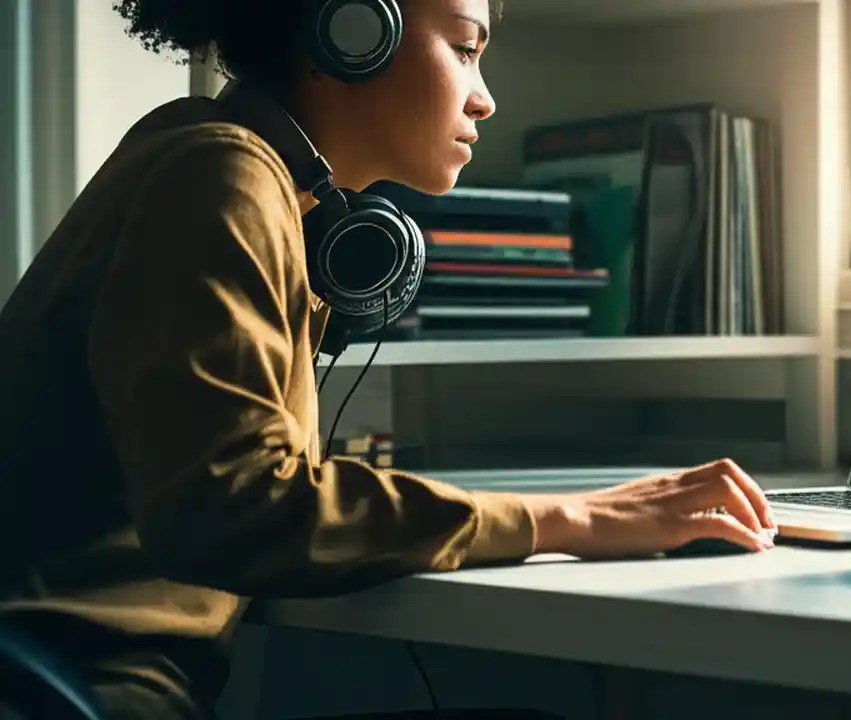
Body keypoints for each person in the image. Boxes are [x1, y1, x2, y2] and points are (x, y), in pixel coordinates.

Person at [0, 0, 777, 718]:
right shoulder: (222, 177)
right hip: (72, 690)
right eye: (467, 49)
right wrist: (567, 517)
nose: (485, 98)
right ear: (353, 28)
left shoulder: (209, 158)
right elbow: (232, 506)